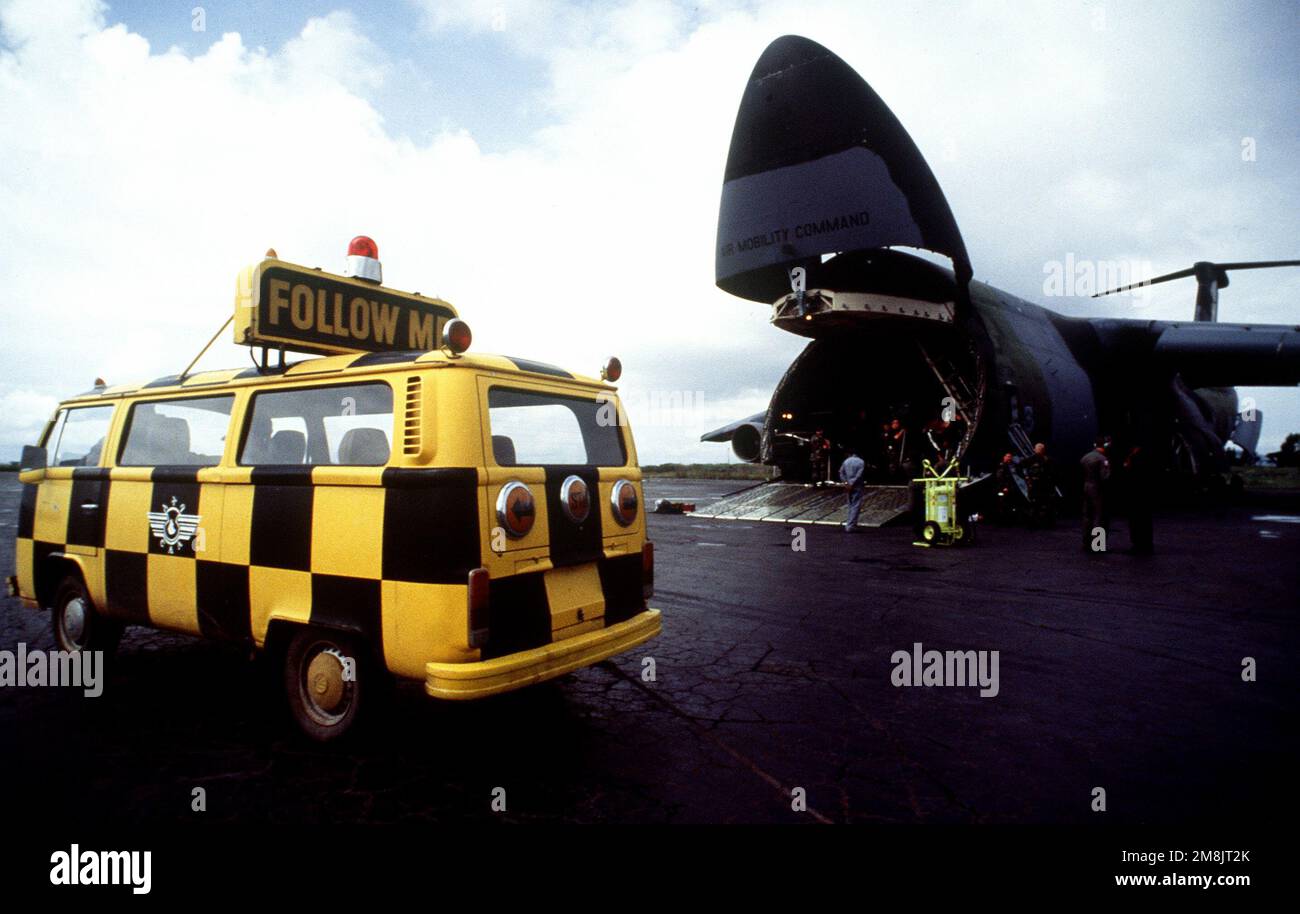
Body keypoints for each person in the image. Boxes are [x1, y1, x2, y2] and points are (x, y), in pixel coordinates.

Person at [1080, 436, 1111, 553]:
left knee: (1087, 515)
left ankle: (1086, 542)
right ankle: (1098, 544)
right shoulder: (1103, 459)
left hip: (1086, 486)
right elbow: (1105, 477)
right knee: (1100, 516)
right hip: (1098, 489)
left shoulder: (1086, 457)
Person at [1123, 444, 1155, 554]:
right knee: (1144, 521)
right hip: (1143, 495)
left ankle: (1139, 545)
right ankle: (1145, 544)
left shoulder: (1135, 459)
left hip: (1136, 495)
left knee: (1137, 521)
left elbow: (1129, 471)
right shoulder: (1145, 458)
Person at [1020, 442, 1054, 526]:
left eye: (1041, 449)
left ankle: (1043, 522)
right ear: (1035, 449)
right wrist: (1026, 477)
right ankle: (1032, 522)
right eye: (1038, 448)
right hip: (1034, 484)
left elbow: (1052, 472)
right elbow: (1019, 467)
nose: (1039, 450)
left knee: (1044, 503)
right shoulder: (1030, 459)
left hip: (1044, 485)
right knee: (1033, 503)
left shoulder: (1048, 460)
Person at [839, 447, 866, 532]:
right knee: (856, 505)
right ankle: (850, 525)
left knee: (850, 505)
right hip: (857, 485)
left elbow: (841, 472)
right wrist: (852, 483)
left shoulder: (846, 461)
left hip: (848, 485)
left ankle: (851, 523)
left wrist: (846, 483)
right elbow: (859, 475)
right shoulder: (861, 462)